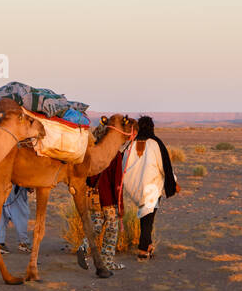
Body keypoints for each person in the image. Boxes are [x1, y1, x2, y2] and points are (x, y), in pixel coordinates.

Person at [121, 115, 179, 259]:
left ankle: (148, 245)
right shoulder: (155, 143)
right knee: (148, 218)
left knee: (145, 215)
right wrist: (173, 182)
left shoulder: (131, 144)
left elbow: (123, 165)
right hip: (152, 186)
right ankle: (143, 250)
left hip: (134, 187)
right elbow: (164, 165)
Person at [76, 133, 127, 271]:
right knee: (112, 230)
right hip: (109, 199)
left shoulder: (93, 152)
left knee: (96, 225)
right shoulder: (114, 155)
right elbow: (117, 182)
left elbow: (88, 177)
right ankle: (107, 262)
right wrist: (120, 204)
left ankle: (83, 246)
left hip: (94, 197)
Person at [0, 184, 31, 253]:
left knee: (1, 214)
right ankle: (23, 242)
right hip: (17, 185)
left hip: (2, 185)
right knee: (21, 213)